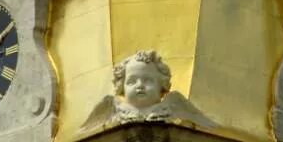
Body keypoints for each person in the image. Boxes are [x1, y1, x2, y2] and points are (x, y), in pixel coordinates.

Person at [81, 50, 215, 130]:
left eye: (148, 80)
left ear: (161, 86)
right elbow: (88, 130)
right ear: (122, 87)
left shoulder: (168, 108)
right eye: (132, 81)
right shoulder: (116, 109)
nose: (140, 85)